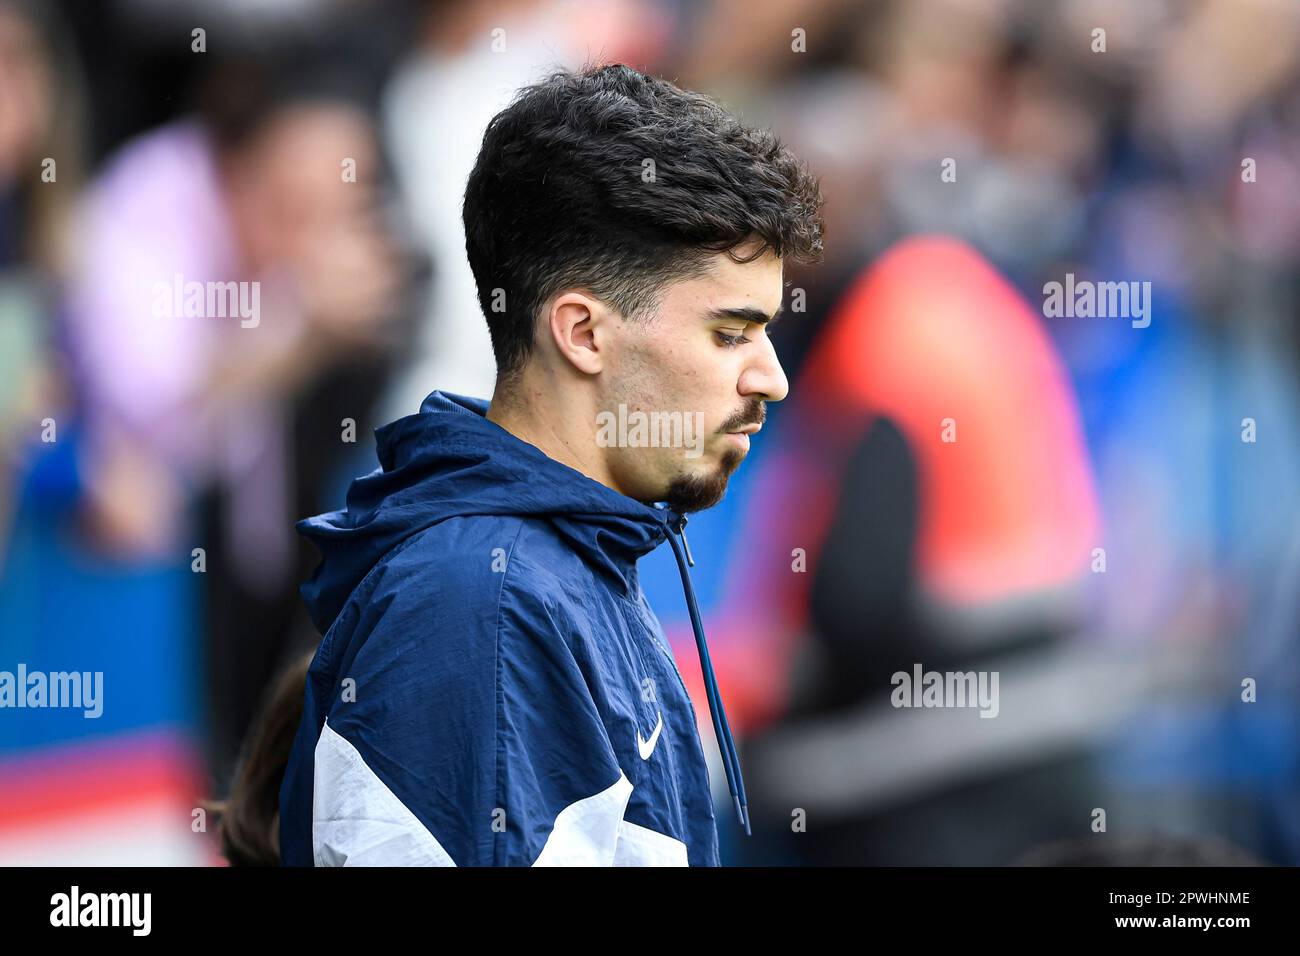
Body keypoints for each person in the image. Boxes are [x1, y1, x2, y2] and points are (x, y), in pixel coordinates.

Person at [269, 62, 823, 866]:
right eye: (730, 332)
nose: (770, 376)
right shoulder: (480, 602)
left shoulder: (566, 562)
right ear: (584, 333)